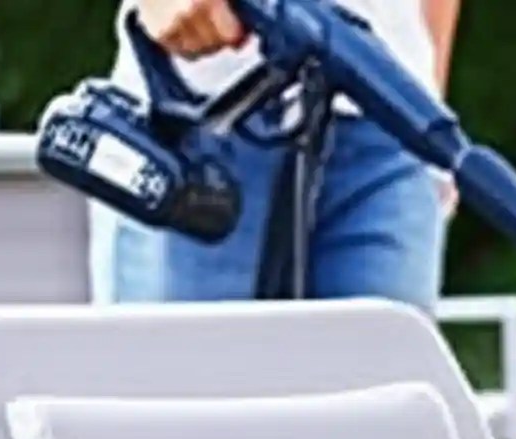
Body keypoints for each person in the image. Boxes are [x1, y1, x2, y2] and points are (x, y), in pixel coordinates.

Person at [88, 0, 462, 312]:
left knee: (386, 393)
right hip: (195, 103)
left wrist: (426, 103)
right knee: (182, 387)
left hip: (384, 118)